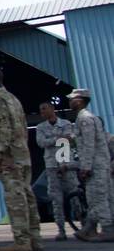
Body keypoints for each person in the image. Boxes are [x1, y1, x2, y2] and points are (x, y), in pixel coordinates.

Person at [0, 67, 42, 251]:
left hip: (10, 157)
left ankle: (22, 241)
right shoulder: (13, 99)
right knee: (27, 195)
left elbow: (3, 128)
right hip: (22, 154)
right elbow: (23, 126)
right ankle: (35, 239)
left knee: (15, 197)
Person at [69, 88, 114, 242]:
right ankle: (88, 228)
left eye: (73, 99)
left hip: (95, 166)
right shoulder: (88, 117)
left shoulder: (84, 119)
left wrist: (85, 167)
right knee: (101, 197)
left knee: (98, 198)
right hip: (100, 164)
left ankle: (108, 229)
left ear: (80, 101)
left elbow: (89, 144)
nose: (70, 101)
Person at [36, 99, 79, 241]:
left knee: (75, 196)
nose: (42, 112)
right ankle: (61, 229)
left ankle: (83, 225)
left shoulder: (65, 124)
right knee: (56, 199)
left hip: (67, 165)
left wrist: (54, 139)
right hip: (52, 166)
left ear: (52, 108)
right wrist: (58, 138)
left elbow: (70, 139)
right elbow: (41, 143)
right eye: (41, 109)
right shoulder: (41, 127)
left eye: (44, 108)